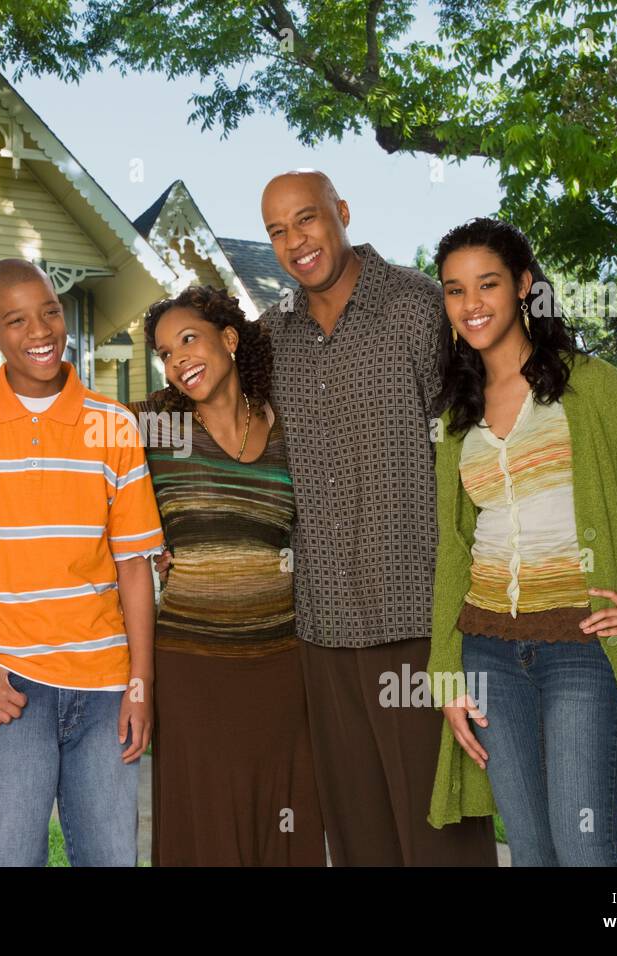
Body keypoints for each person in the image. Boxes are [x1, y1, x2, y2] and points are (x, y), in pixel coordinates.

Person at [426, 217, 617, 865]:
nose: (471, 304)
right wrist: (446, 673)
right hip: (487, 651)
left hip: (580, 649)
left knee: (584, 847)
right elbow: (453, 550)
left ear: (524, 285)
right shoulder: (455, 415)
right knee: (529, 848)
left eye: (488, 284)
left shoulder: (589, 386)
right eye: (454, 289)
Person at [244, 169, 498, 865]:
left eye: (306, 219)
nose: (295, 241)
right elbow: (227, 430)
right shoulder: (272, 338)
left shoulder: (419, 306)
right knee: (358, 841)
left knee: (441, 838)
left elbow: (474, 442)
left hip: (418, 615)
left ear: (342, 212)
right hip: (321, 625)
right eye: (277, 231)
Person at [0, 258, 164, 866]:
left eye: (50, 311)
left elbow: (133, 566)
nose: (41, 330)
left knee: (110, 860)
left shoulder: (113, 425)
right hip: (8, 687)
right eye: (16, 320)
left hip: (104, 690)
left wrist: (140, 684)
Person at [130, 285, 325, 866]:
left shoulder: (288, 428)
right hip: (193, 666)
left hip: (283, 664)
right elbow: (78, 451)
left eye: (188, 339)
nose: (178, 358)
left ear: (230, 339)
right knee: (206, 822)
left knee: (286, 819)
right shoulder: (153, 428)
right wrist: (146, 547)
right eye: (165, 352)